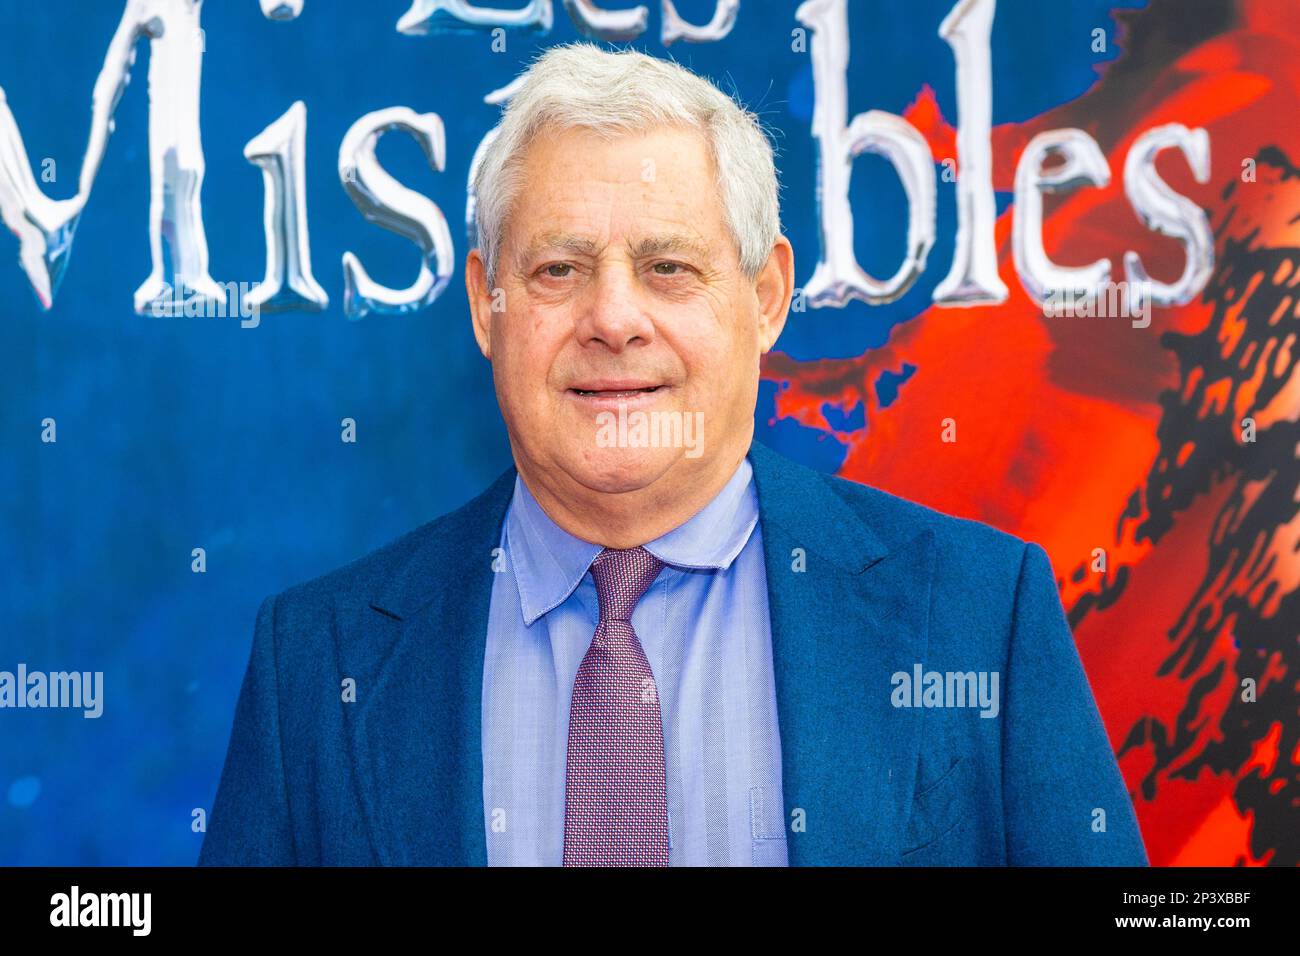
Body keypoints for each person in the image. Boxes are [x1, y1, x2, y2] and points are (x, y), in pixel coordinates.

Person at [198, 41, 1147, 867]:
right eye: (558, 269)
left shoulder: (981, 618)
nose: (613, 319)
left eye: (668, 268)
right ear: (487, 302)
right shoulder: (315, 665)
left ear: (767, 296)